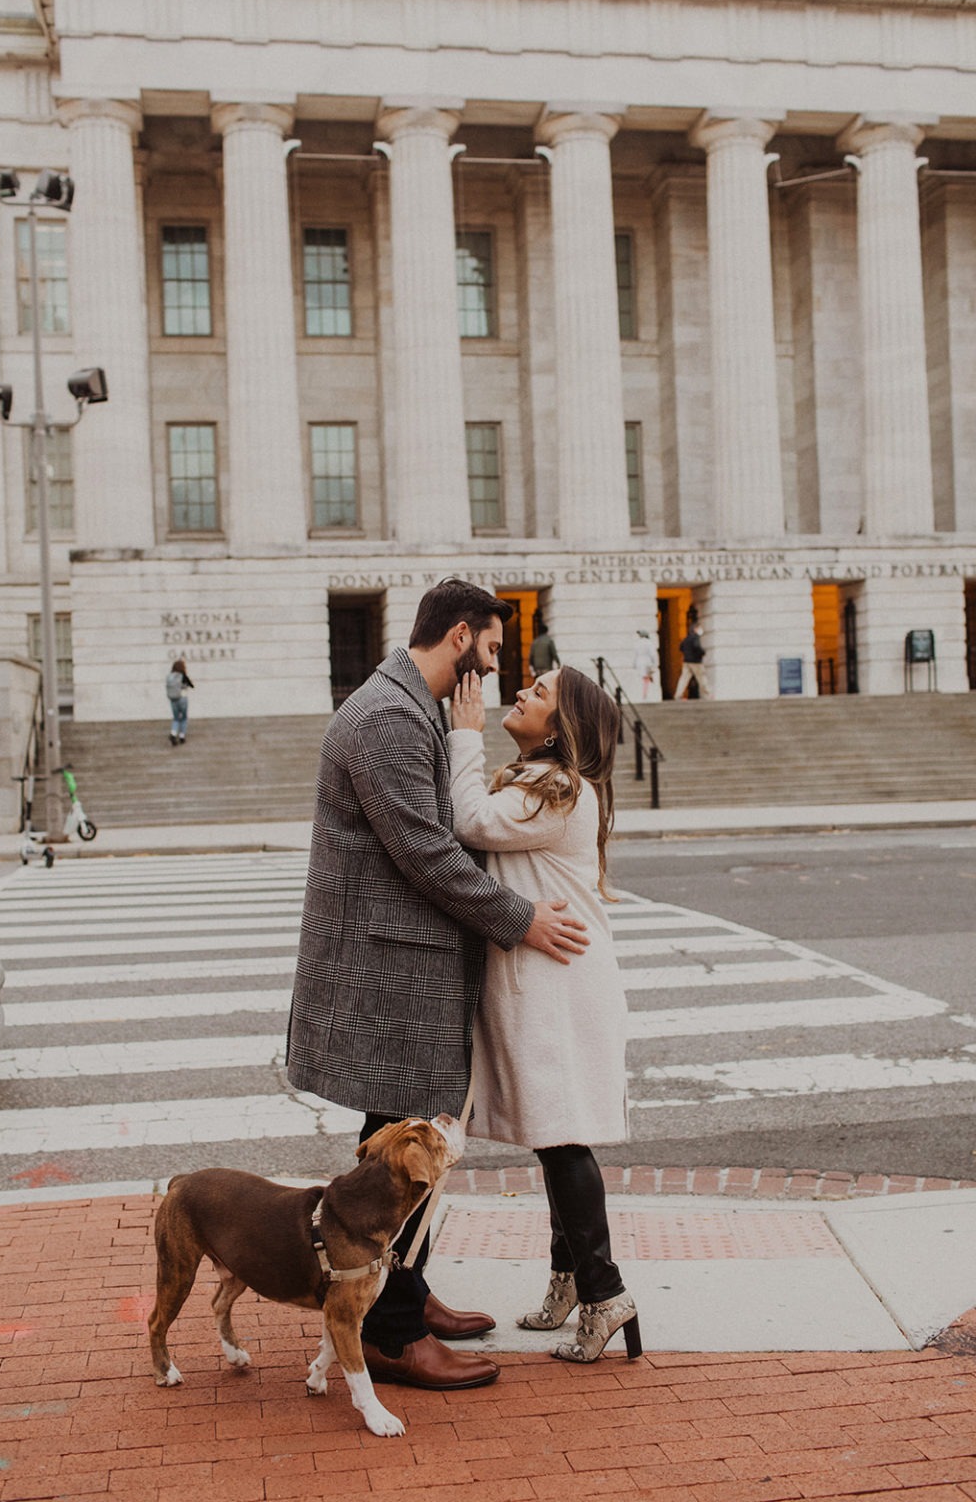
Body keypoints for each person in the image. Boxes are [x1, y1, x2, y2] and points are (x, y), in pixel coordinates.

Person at [286, 579, 590, 1393]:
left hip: (405, 965)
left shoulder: (407, 707)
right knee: (402, 1152)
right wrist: (520, 919)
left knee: (407, 1140)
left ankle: (404, 1294)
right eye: (489, 650)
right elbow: (426, 850)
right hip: (391, 971)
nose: (492, 669)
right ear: (460, 637)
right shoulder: (387, 718)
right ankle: (391, 1333)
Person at [448, 664, 641, 1364]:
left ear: (562, 727)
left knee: (562, 1139)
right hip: (553, 980)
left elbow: (469, 819)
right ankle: (569, 1279)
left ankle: (604, 1293)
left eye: (540, 691)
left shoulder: (558, 790)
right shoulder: (546, 785)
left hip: (560, 985)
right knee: (555, 1135)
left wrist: (464, 736)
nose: (522, 690)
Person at [675, 613, 710, 699]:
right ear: (696, 629)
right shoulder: (695, 637)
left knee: (684, 679)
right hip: (695, 661)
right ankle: (708, 694)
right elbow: (696, 647)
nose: (701, 630)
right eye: (699, 628)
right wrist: (702, 653)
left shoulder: (686, 638)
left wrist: (687, 654)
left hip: (686, 661)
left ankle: (678, 694)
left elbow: (681, 647)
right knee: (702, 678)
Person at [165, 659, 194, 745]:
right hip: (182, 698)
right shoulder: (183, 676)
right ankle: (182, 736)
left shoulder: (169, 676)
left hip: (173, 699)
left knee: (176, 718)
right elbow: (192, 685)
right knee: (183, 718)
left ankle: (173, 733)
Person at [632, 628, 659, 701]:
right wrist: (655, 663)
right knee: (647, 678)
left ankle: (644, 695)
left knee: (644, 678)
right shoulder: (649, 643)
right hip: (647, 662)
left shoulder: (637, 643)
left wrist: (634, 664)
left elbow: (635, 655)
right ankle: (646, 695)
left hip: (639, 662)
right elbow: (653, 654)